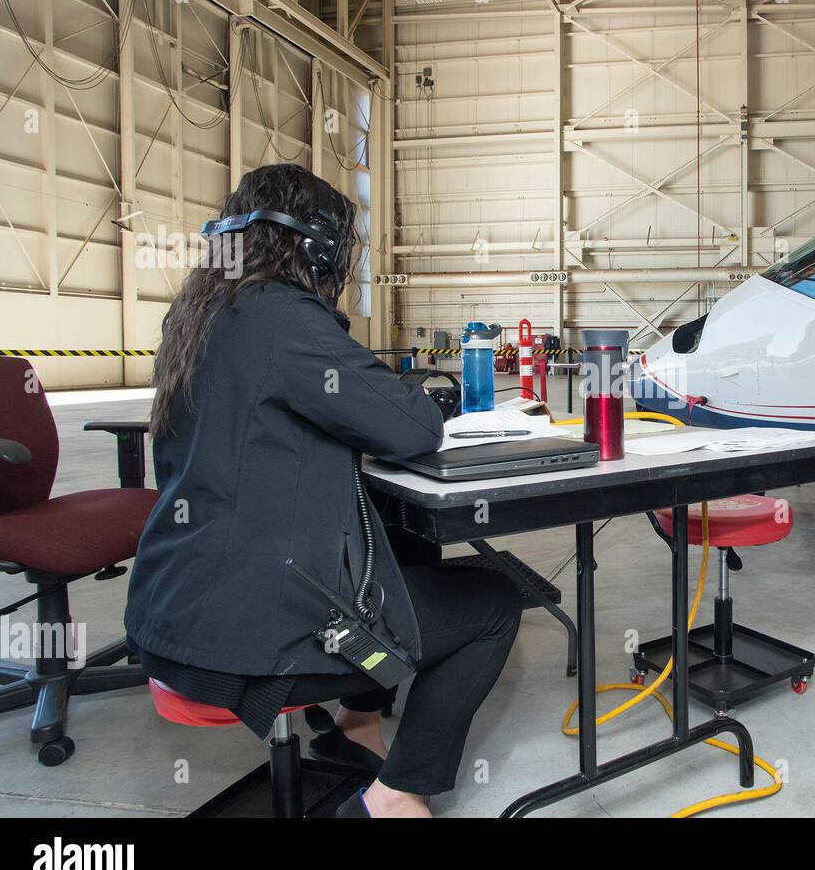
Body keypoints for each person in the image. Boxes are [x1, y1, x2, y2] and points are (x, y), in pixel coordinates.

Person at [125, 163, 521, 817]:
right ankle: (395, 799)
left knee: (403, 547)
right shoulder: (282, 316)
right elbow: (411, 426)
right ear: (316, 247)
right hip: (243, 633)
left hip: (171, 610)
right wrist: (408, 389)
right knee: (492, 604)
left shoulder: (196, 313)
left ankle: (353, 728)